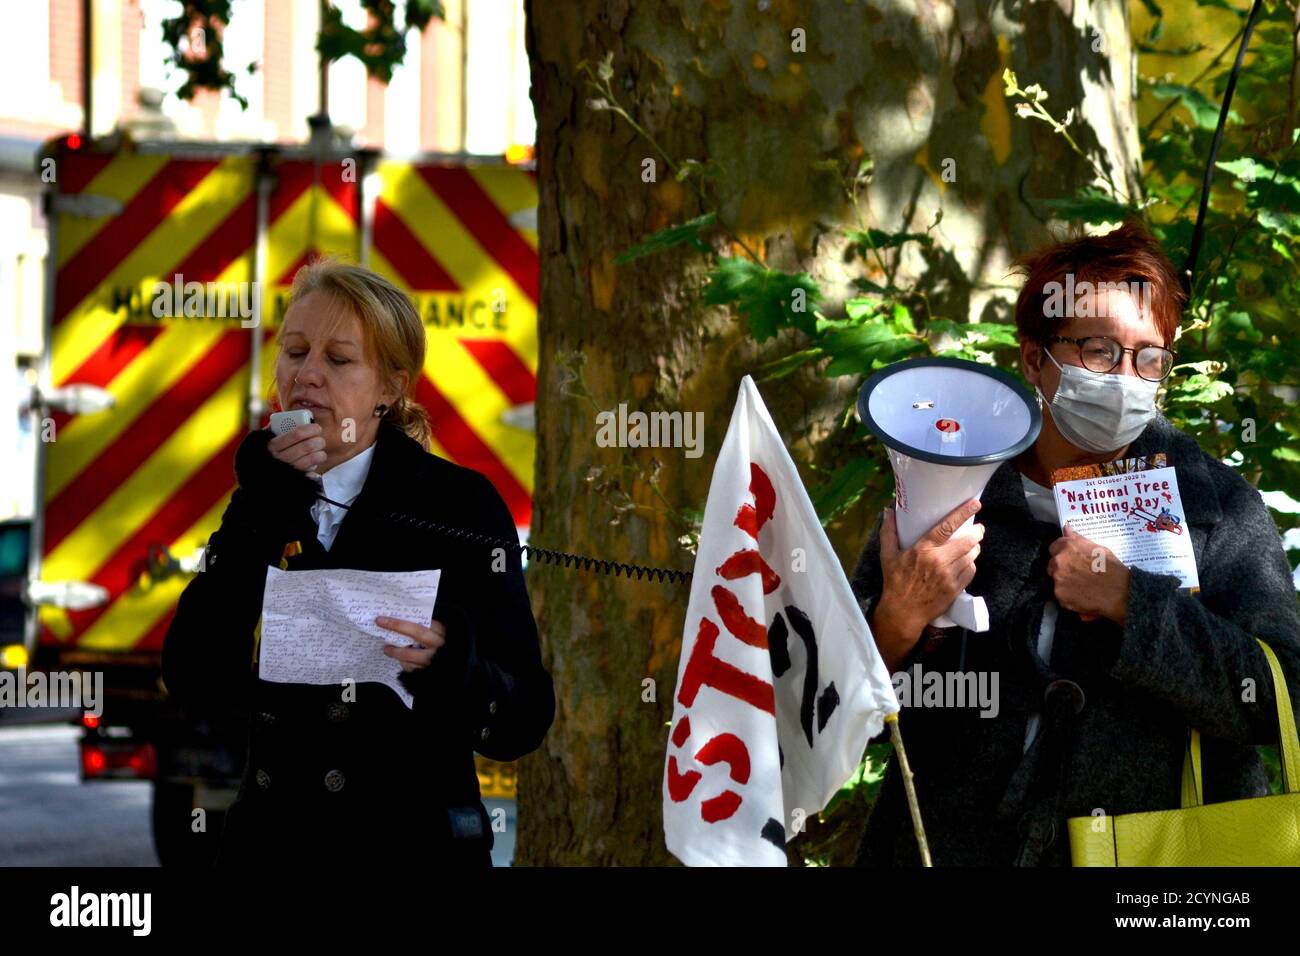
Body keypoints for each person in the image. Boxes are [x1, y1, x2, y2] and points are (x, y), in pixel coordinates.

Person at [851, 220, 1300, 866]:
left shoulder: (1215, 507)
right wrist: (894, 622)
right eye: (1098, 350)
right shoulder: (946, 488)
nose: (1125, 377)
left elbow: (1283, 696)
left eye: (1149, 357)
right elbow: (824, 711)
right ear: (1035, 357)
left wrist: (1135, 605)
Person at [161, 259, 555, 867]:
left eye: (339, 360)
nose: (307, 376)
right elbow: (196, 679)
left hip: (411, 850)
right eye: (295, 352)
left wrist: (454, 666)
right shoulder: (262, 502)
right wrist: (255, 521)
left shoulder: (459, 503)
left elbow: (522, 720)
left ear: (391, 388)